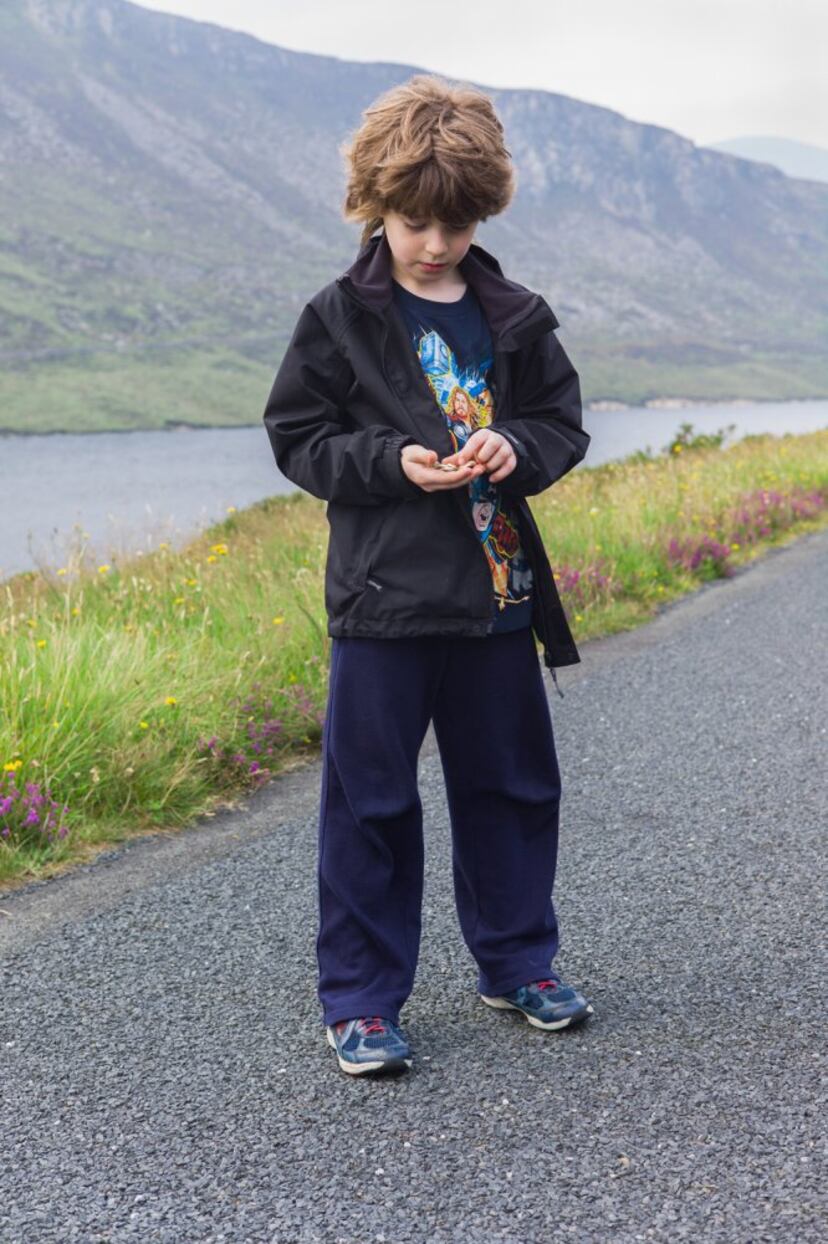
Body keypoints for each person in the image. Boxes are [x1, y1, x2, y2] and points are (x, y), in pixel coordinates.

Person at [263, 73, 594, 1077]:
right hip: (383, 607)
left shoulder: (515, 314)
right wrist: (388, 462)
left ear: (483, 208)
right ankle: (362, 1000)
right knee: (370, 805)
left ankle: (518, 963)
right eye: (415, 222)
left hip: (499, 601)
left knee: (514, 789)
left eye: (455, 222)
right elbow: (298, 436)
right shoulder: (339, 315)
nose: (436, 244)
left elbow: (560, 424)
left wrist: (514, 446)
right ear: (375, 203)